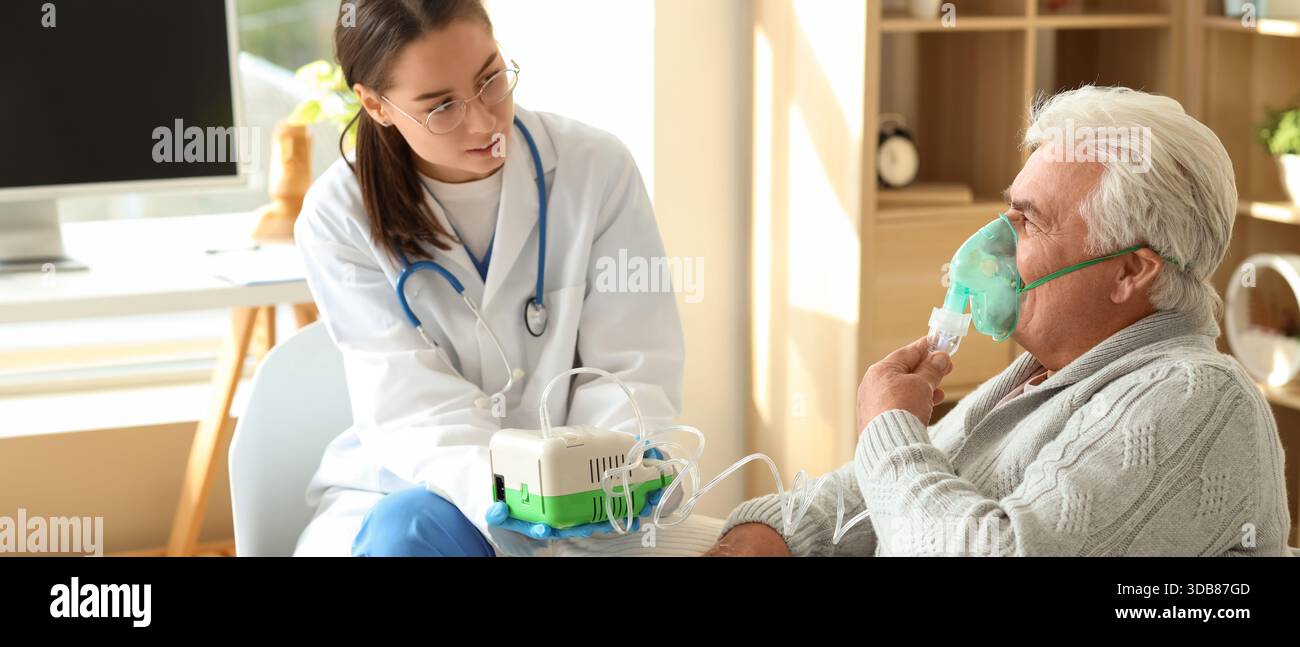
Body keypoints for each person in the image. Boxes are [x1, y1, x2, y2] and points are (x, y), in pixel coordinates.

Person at [708, 86, 1292, 557]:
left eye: (1027, 220)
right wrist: (770, 536)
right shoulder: (1042, 376)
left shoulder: (1197, 398)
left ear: (1129, 271)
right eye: (1006, 210)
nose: (990, 242)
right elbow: (875, 497)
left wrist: (888, 429)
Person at [292, 0, 683, 557]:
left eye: (491, 79)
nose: (483, 120)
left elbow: (632, 367)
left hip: (587, 501)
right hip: (419, 491)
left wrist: (595, 485)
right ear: (376, 105)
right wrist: (510, 494)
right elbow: (414, 409)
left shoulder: (595, 167)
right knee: (409, 534)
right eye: (442, 106)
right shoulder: (339, 214)